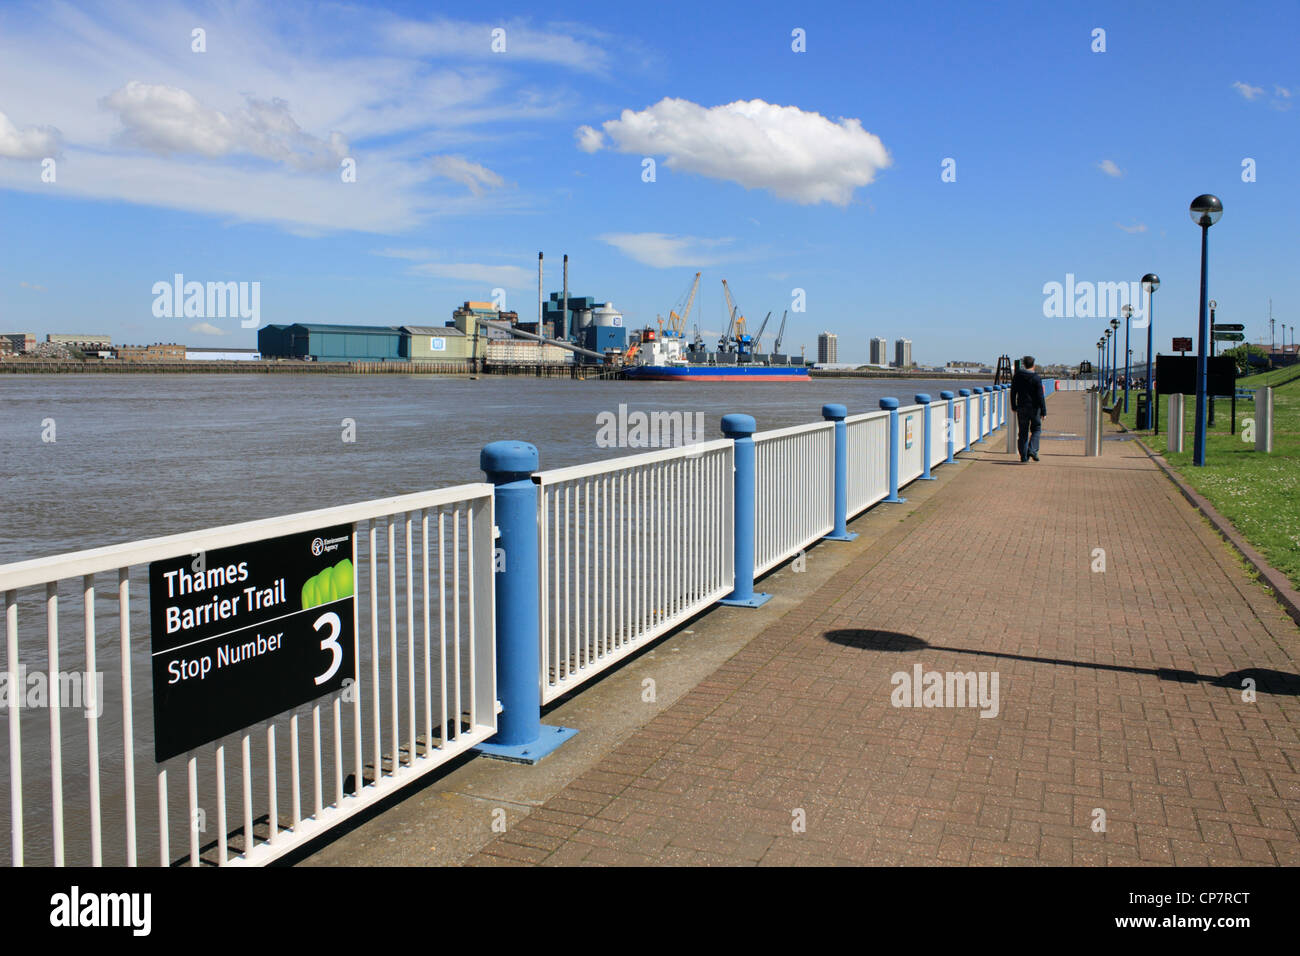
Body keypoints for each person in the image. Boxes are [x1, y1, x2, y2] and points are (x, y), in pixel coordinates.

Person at [1011, 355, 1047, 462]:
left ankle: (1024, 456)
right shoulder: (1036, 378)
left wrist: (1014, 406)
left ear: (1024, 364)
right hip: (1035, 408)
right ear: (1033, 365)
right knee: (1036, 429)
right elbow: (1040, 396)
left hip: (1021, 407)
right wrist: (1044, 411)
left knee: (1023, 432)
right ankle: (1032, 449)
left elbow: (1013, 392)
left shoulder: (1017, 376)